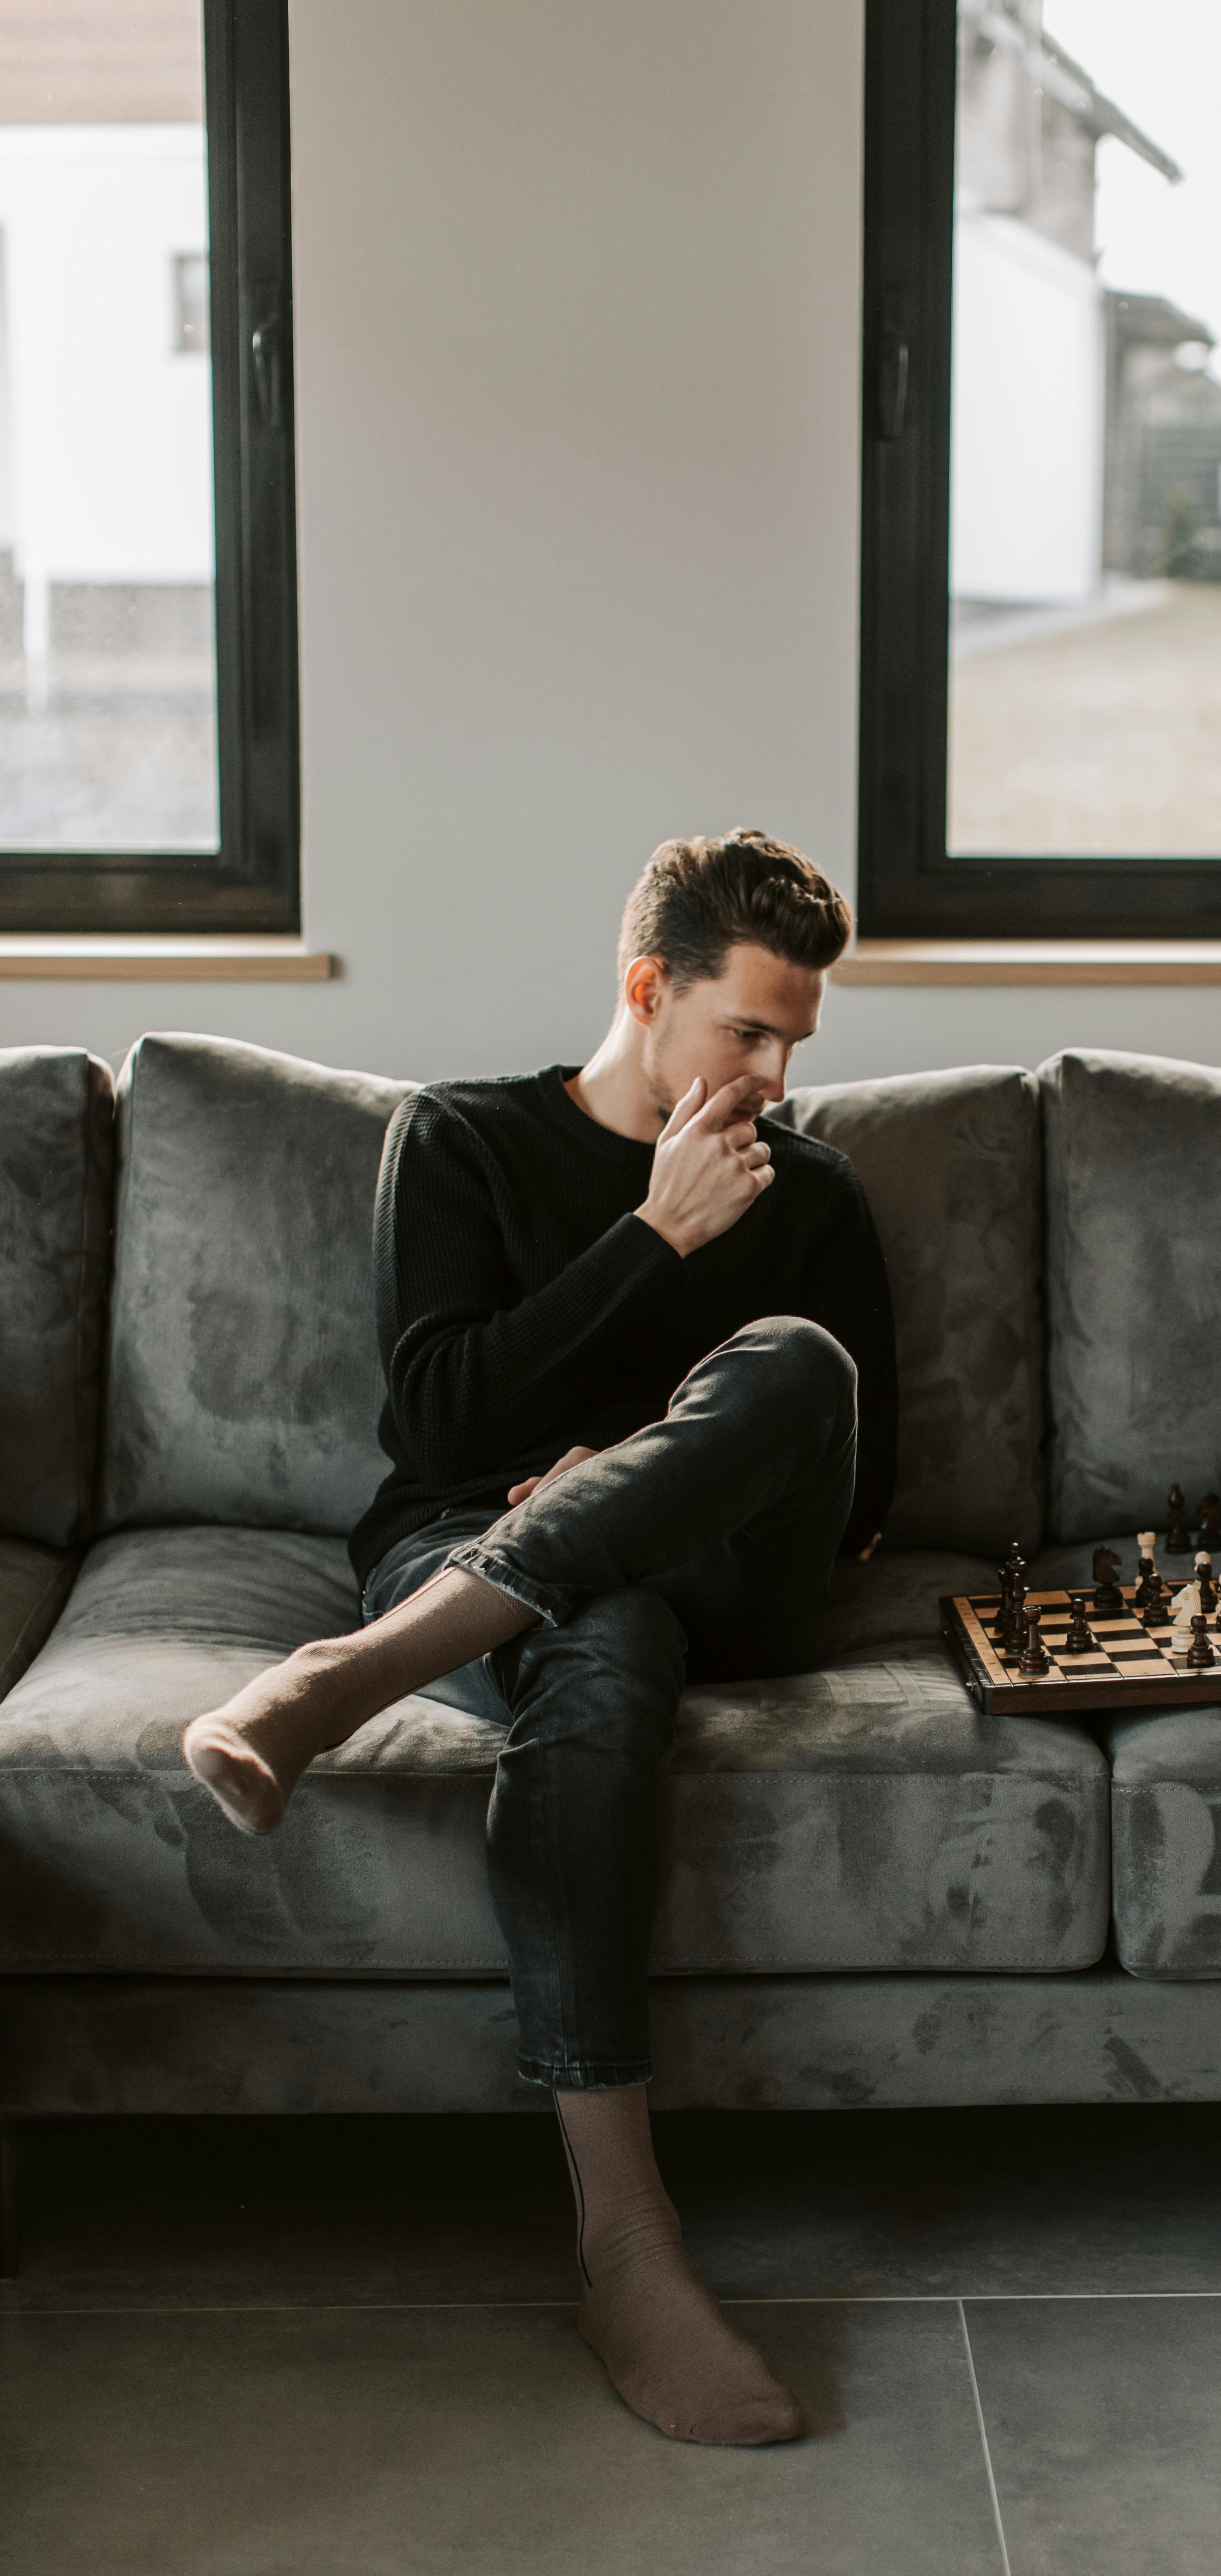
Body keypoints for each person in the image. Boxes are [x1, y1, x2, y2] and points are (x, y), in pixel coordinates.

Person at [181, 829, 897, 2448]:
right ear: (651, 991)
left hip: (735, 1571)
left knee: (793, 1353)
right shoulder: (461, 1140)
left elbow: (866, 1488)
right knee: (602, 1633)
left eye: (797, 1041)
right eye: (750, 1031)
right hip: (473, 1543)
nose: (777, 1074)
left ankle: (342, 1683)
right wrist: (649, 1237)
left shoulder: (820, 1192)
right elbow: (435, 1414)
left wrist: (634, 1472)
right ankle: (629, 2246)